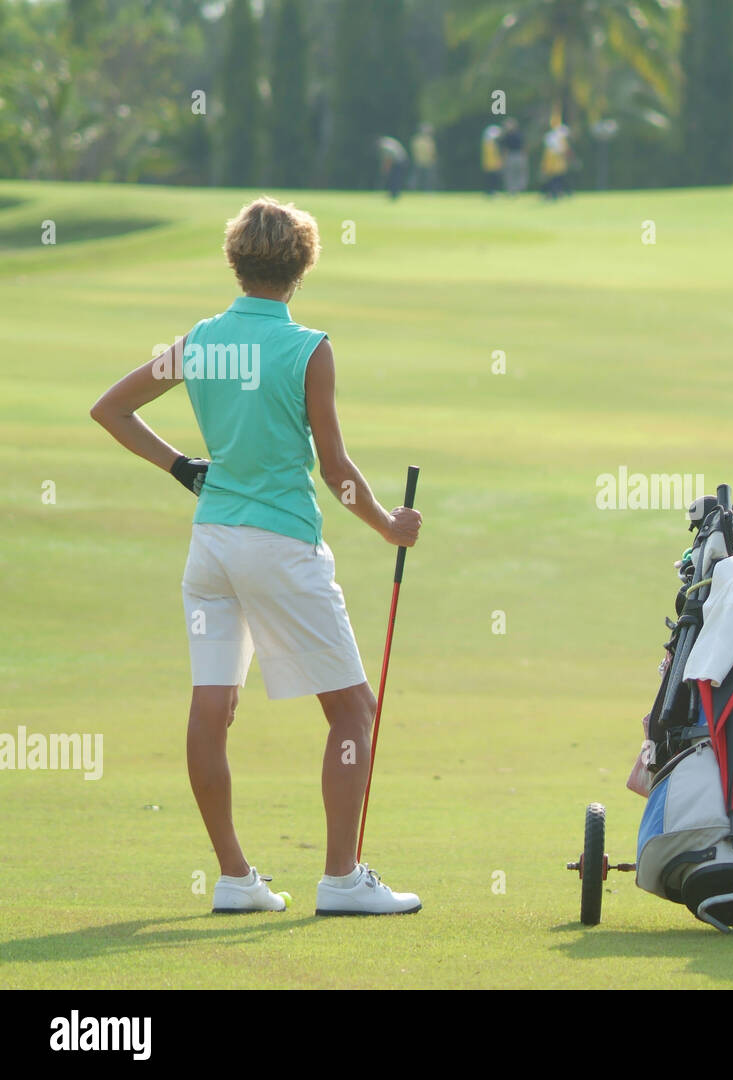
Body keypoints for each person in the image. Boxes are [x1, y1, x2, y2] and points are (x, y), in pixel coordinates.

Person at [90, 197, 424, 917]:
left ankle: (236, 877)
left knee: (213, 707)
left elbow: (110, 409)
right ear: (301, 266)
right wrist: (388, 526)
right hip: (279, 546)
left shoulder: (202, 339)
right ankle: (340, 880)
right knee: (353, 713)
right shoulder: (309, 348)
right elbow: (335, 469)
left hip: (210, 548)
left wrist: (183, 468)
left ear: (236, 261)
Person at [540, 122, 572, 199]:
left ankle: (555, 193)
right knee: (555, 178)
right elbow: (561, 151)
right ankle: (554, 193)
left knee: (556, 178)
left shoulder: (556, 139)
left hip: (556, 162)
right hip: (554, 162)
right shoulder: (557, 140)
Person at [499, 118, 526, 194]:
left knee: (519, 172)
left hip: (519, 154)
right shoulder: (506, 135)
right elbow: (504, 148)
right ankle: (511, 190)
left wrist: (524, 156)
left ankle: (519, 188)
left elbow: (523, 146)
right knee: (509, 173)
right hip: (510, 155)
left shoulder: (519, 134)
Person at [411, 124, 437, 191]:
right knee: (417, 178)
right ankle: (414, 190)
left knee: (428, 178)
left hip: (427, 161)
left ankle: (427, 190)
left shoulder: (427, 140)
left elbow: (432, 151)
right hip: (420, 161)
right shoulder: (418, 139)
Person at [481, 123, 503, 195]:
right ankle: (491, 191)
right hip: (491, 164)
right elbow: (494, 154)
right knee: (492, 179)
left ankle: (490, 191)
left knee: (491, 178)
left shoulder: (487, 143)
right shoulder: (490, 143)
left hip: (490, 163)